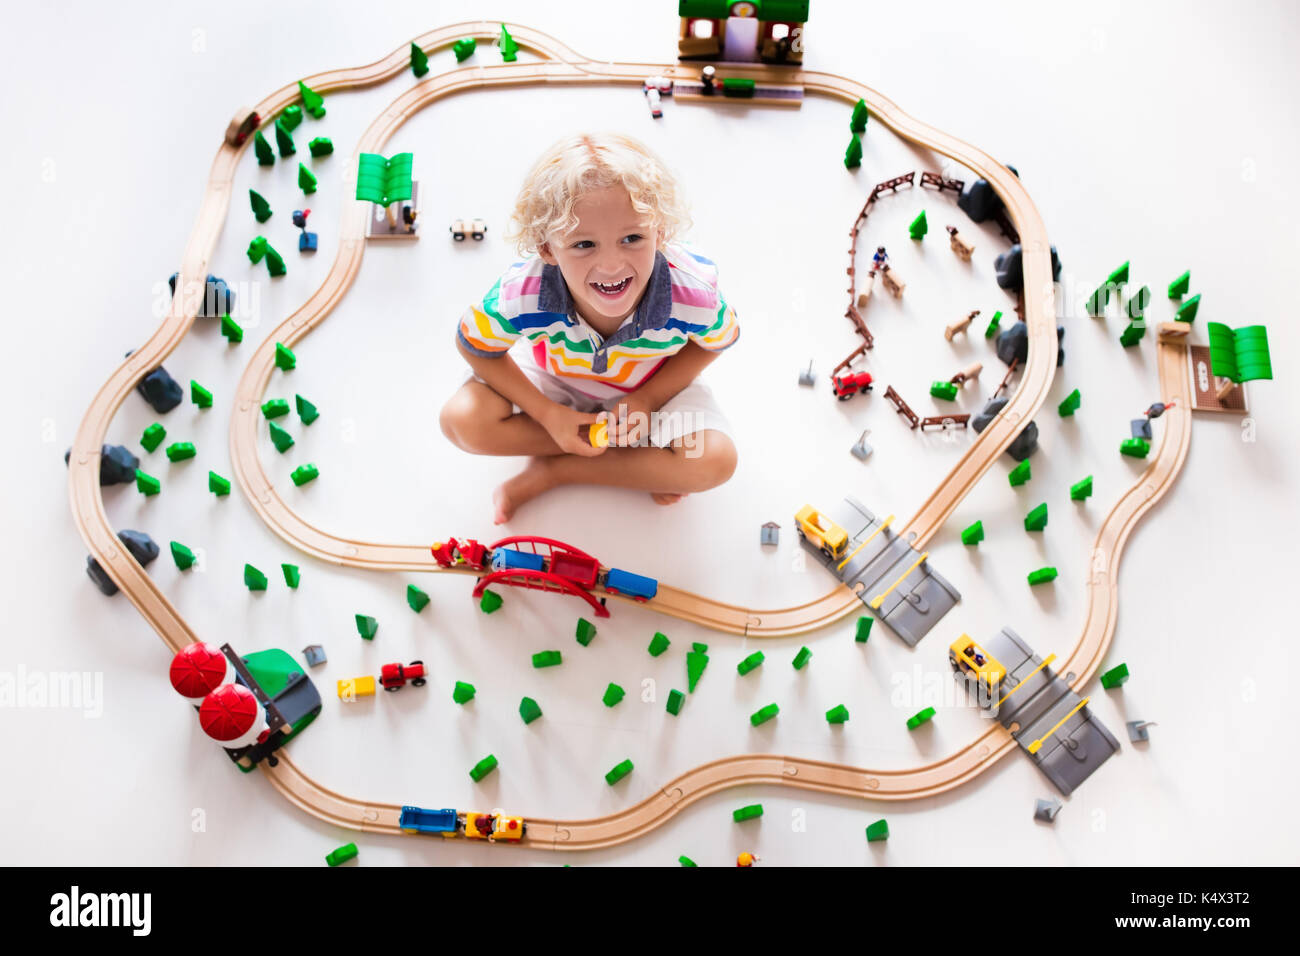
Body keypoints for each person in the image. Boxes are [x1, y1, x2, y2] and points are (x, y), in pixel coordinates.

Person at [440, 133, 739, 523]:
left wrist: (648, 400)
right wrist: (548, 415)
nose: (612, 265)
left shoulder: (692, 291)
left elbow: (717, 341)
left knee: (714, 459)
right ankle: (628, 461)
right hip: (556, 382)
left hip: (651, 387)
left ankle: (559, 469)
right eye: (584, 245)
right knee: (461, 420)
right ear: (547, 248)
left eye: (632, 238)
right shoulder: (523, 292)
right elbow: (473, 344)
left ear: (660, 233)